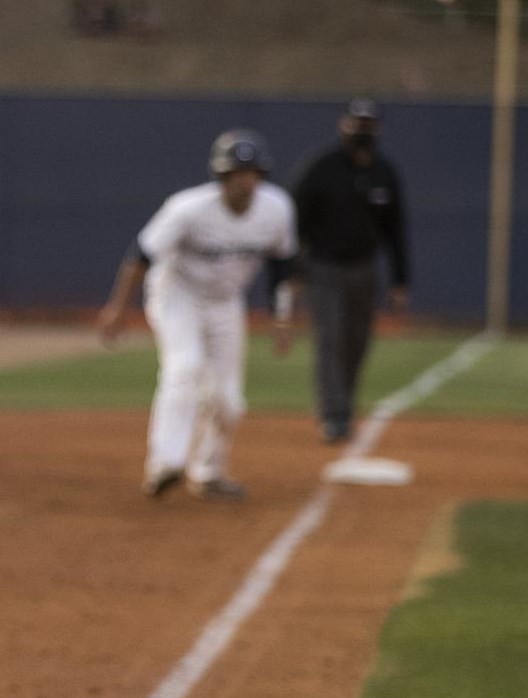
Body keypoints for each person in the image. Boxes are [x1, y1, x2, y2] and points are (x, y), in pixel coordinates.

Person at [98, 129, 300, 502]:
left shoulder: (276, 208)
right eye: (237, 173)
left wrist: (282, 318)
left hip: (226, 301)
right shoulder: (187, 209)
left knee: (228, 399)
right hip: (178, 295)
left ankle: (208, 472)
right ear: (221, 175)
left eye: (252, 173)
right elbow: (141, 255)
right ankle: (165, 463)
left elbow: (282, 266)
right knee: (184, 367)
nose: (246, 181)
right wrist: (117, 307)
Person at [292, 99, 411, 444]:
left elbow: (395, 229)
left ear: (378, 128)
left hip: (364, 268)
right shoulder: (321, 168)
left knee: (357, 342)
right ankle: (333, 415)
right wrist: (295, 270)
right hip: (324, 268)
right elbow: (295, 220)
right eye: (356, 124)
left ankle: (344, 406)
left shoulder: (384, 172)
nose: (362, 131)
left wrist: (400, 280)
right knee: (330, 339)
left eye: (368, 125)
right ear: (343, 125)